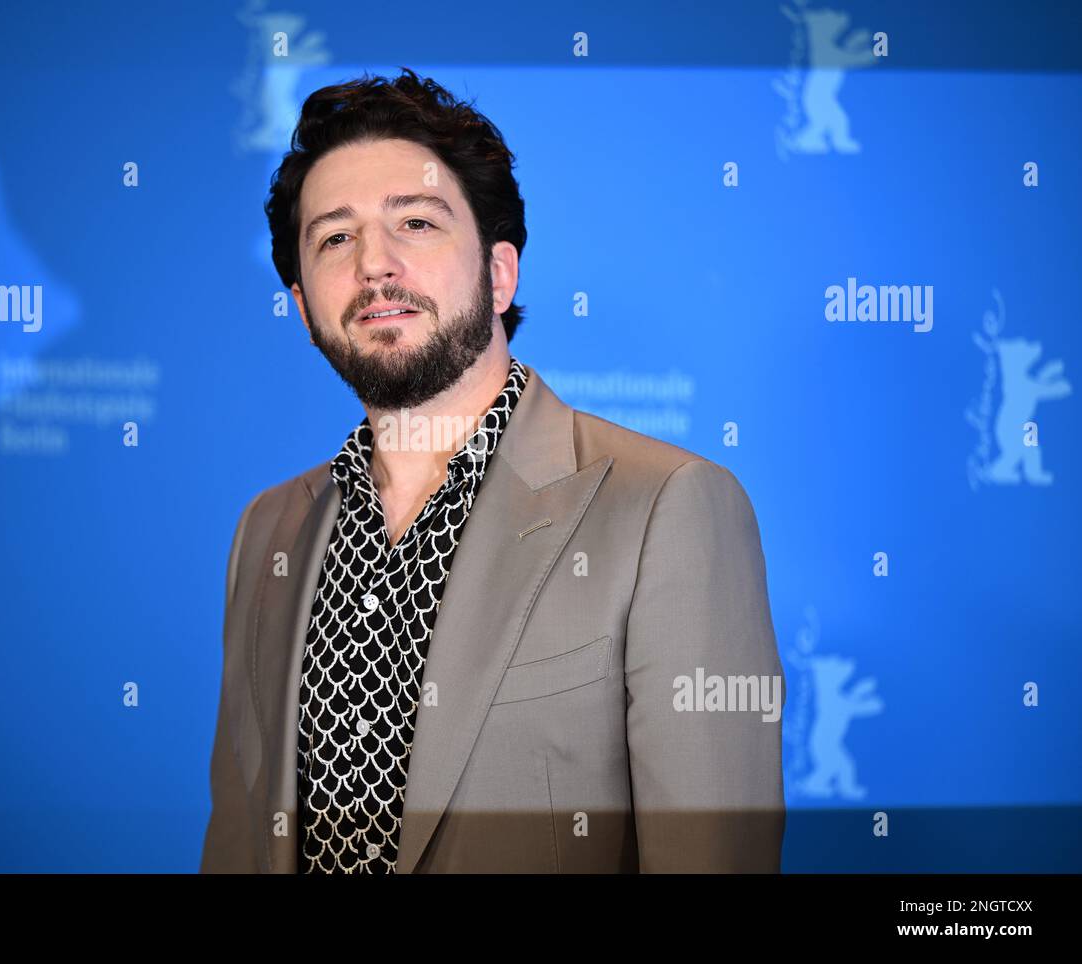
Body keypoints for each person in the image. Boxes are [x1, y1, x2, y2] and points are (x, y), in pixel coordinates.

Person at [201, 67, 785, 873]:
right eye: (335, 237)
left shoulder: (667, 509)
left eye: (415, 222)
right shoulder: (266, 530)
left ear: (500, 273)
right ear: (303, 307)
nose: (375, 265)